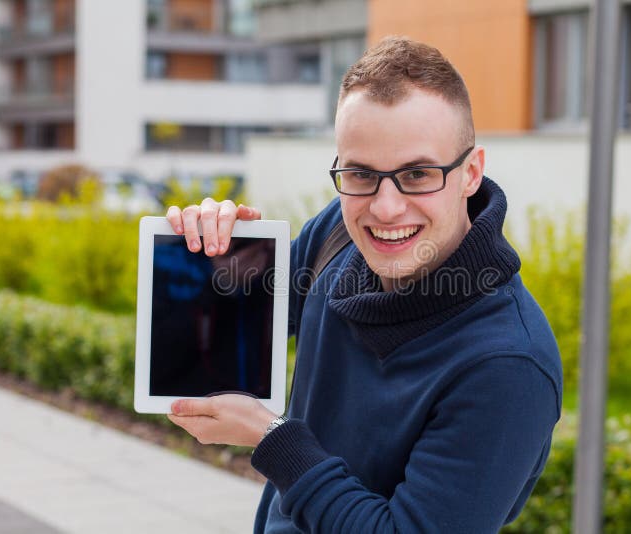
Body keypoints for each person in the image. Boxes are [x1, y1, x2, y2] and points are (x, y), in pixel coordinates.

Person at [165, 37, 562, 533]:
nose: (385, 207)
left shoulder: (508, 365)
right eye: (360, 174)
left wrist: (276, 440)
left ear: (471, 174)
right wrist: (213, 256)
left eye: (418, 174)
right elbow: (225, 344)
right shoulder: (337, 233)